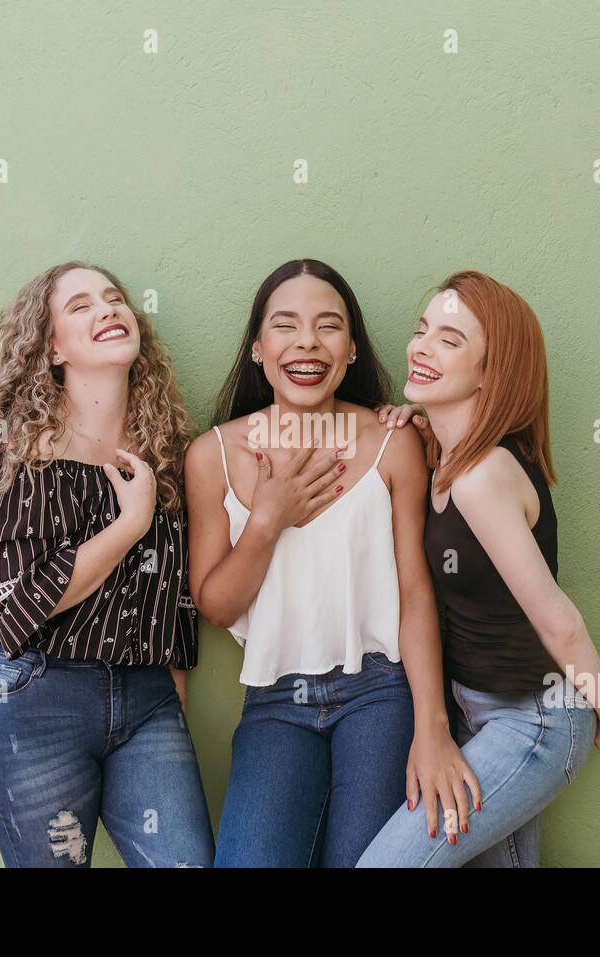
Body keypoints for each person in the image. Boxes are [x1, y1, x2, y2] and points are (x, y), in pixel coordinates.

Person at [184, 259, 479, 867]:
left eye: (328, 326)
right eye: (285, 326)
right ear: (258, 351)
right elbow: (216, 606)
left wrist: (433, 726)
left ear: (349, 351)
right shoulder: (212, 455)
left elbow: (416, 594)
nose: (307, 342)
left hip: (381, 693)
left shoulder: (394, 442)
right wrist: (268, 518)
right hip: (274, 700)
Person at [0, 261, 215, 867]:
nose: (108, 310)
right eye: (81, 306)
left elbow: (173, 592)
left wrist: (173, 684)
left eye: (115, 299)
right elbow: (11, 606)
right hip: (37, 696)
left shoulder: (162, 452)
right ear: (52, 347)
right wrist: (129, 525)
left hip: (146, 701)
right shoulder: (21, 452)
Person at [357, 269, 600, 867]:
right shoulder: (447, 456)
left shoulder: (482, 477)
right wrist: (416, 429)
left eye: (450, 341)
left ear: (491, 372)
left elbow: (556, 617)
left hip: (534, 721)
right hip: (477, 712)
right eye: (422, 331)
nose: (421, 347)